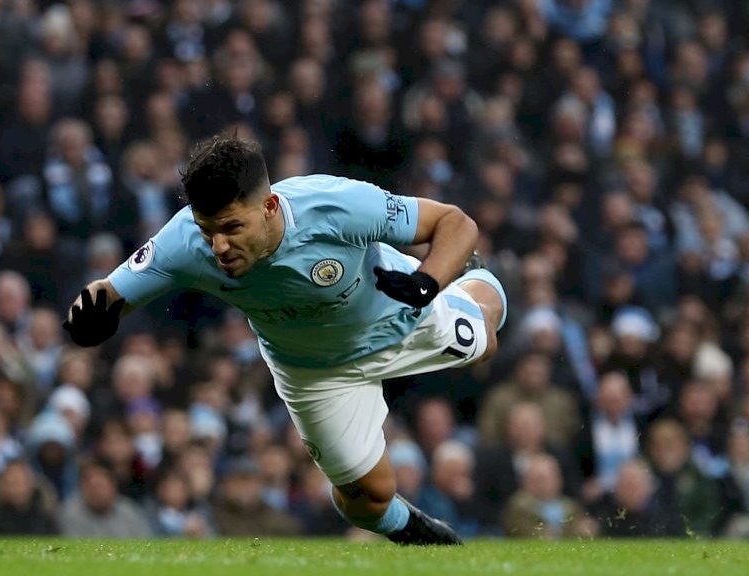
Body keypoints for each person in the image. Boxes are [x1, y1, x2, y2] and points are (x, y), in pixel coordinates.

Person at [62, 136, 508, 545]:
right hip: (314, 371)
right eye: (207, 229)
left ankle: (472, 280)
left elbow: (455, 221)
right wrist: (82, 321)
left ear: (270, 207)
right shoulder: (183, 241)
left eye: (232, 228)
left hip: (400, 316)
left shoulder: (336, 206)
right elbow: (106, 292)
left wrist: (429, 281)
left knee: (485, 341)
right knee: (367, 503)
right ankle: (427, 538)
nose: (218, 246)